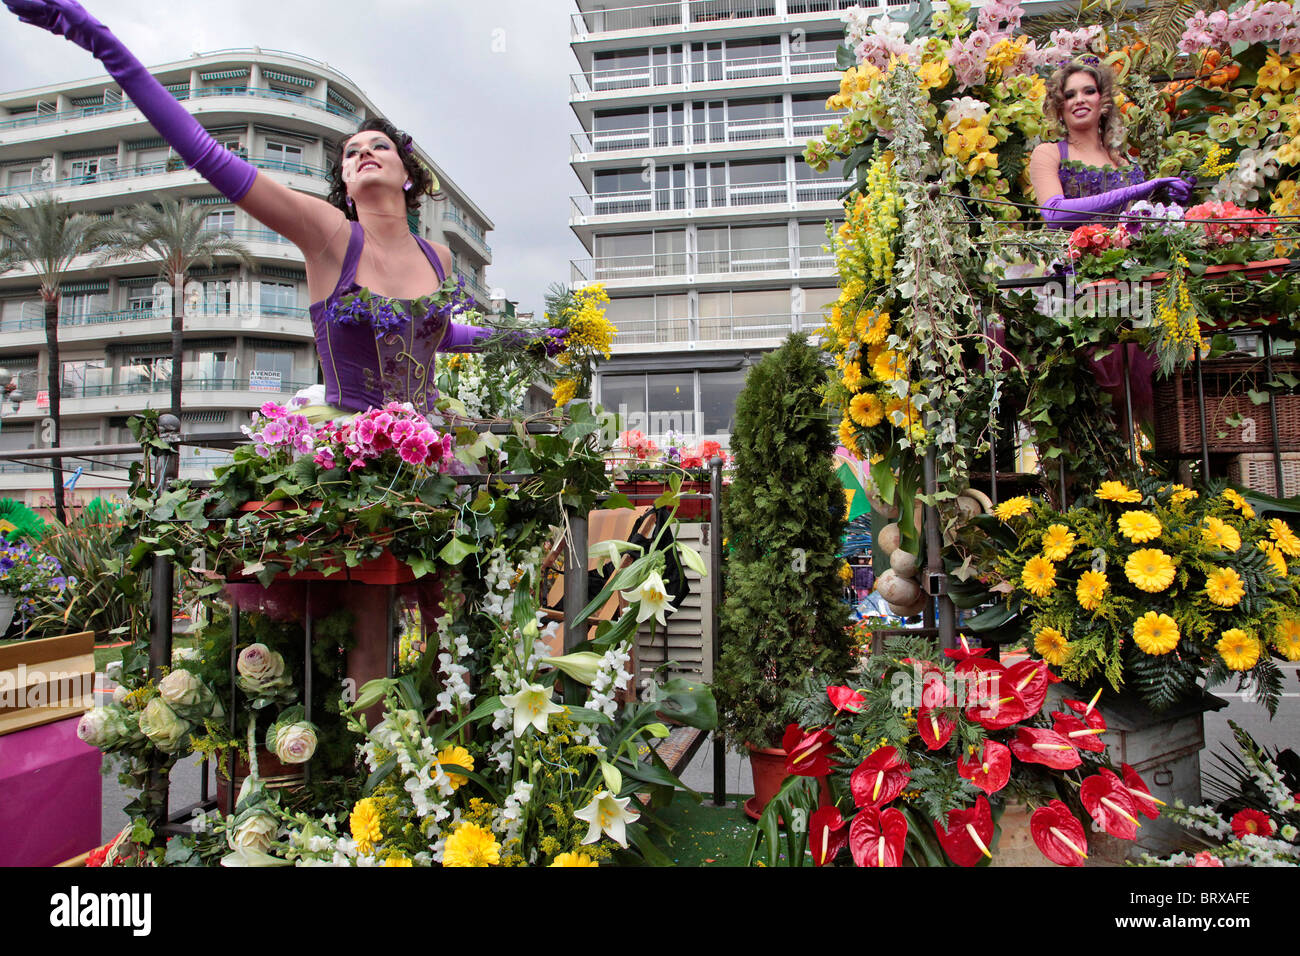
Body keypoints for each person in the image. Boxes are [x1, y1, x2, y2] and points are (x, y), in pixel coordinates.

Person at [4, 0, 562, 416]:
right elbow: (208, 155)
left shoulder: (439, 256)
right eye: (350, 153)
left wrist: (534, 337)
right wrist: (99, 39)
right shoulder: (329, 233)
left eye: (379, 146)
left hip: (431, 445)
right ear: (344, 180)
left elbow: (441, 334)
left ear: (407, 174)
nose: (364, 152)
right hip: (345, 451)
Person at [1028, 59, 1193, 228]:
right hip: (1069, 253)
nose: (1079, 100)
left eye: (1089, 91)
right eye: (1069, 95)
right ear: (1060, 108)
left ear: (1103, 102)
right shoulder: (1049, 153)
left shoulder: (1120, 161)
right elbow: (1054, 215)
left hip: (1122, 254)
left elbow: (1139, 226)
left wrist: (1173, 199)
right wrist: (1132, 192)